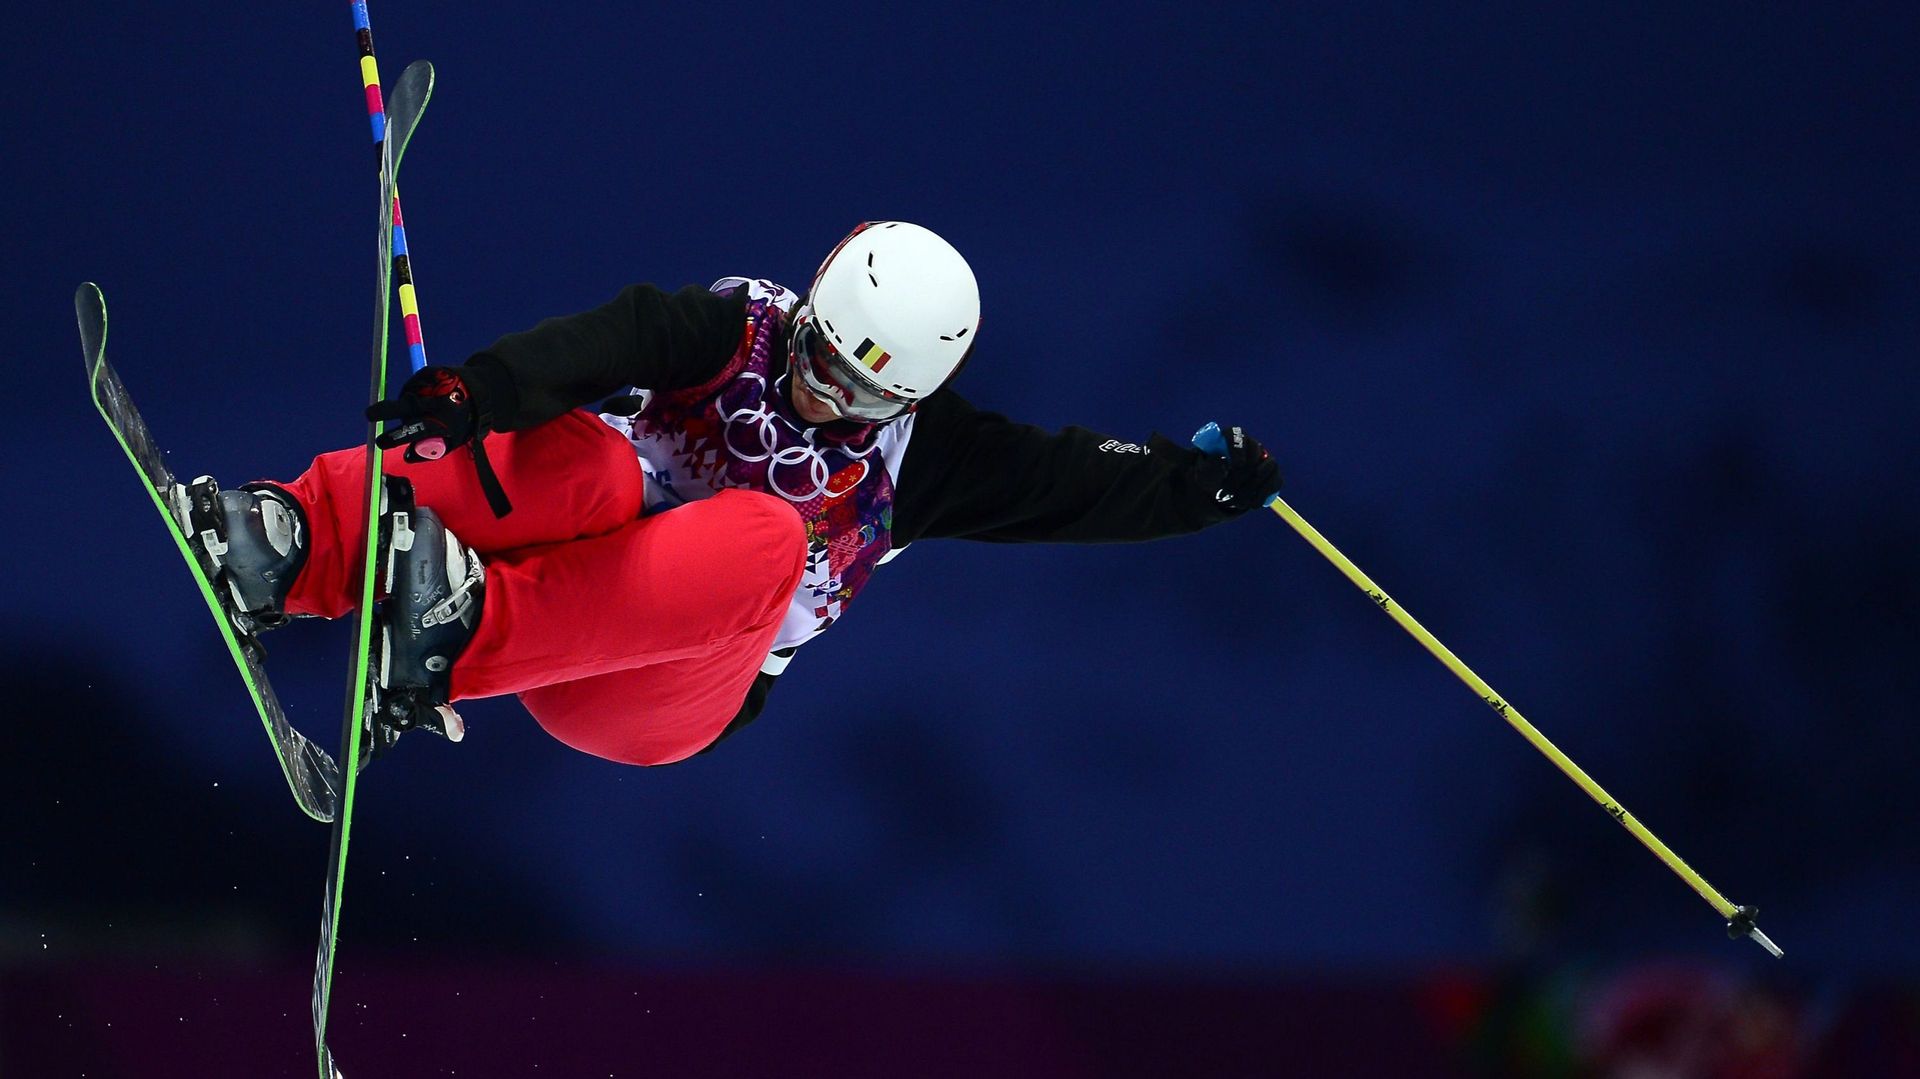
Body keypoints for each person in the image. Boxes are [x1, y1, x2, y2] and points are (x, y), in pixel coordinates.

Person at [192, 221, 1282, 766]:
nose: (813, 391)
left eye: (852, 390)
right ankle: (294, 542)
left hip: (652, 683)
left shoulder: (932, 459)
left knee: (765, 535)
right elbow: (609, 338)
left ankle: (456, 637)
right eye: (814, 353)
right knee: (596, 460)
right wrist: (475, 391)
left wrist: (1195, 483)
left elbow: (1075, 483)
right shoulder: (736, 332)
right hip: (552, 550)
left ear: (903, 394)